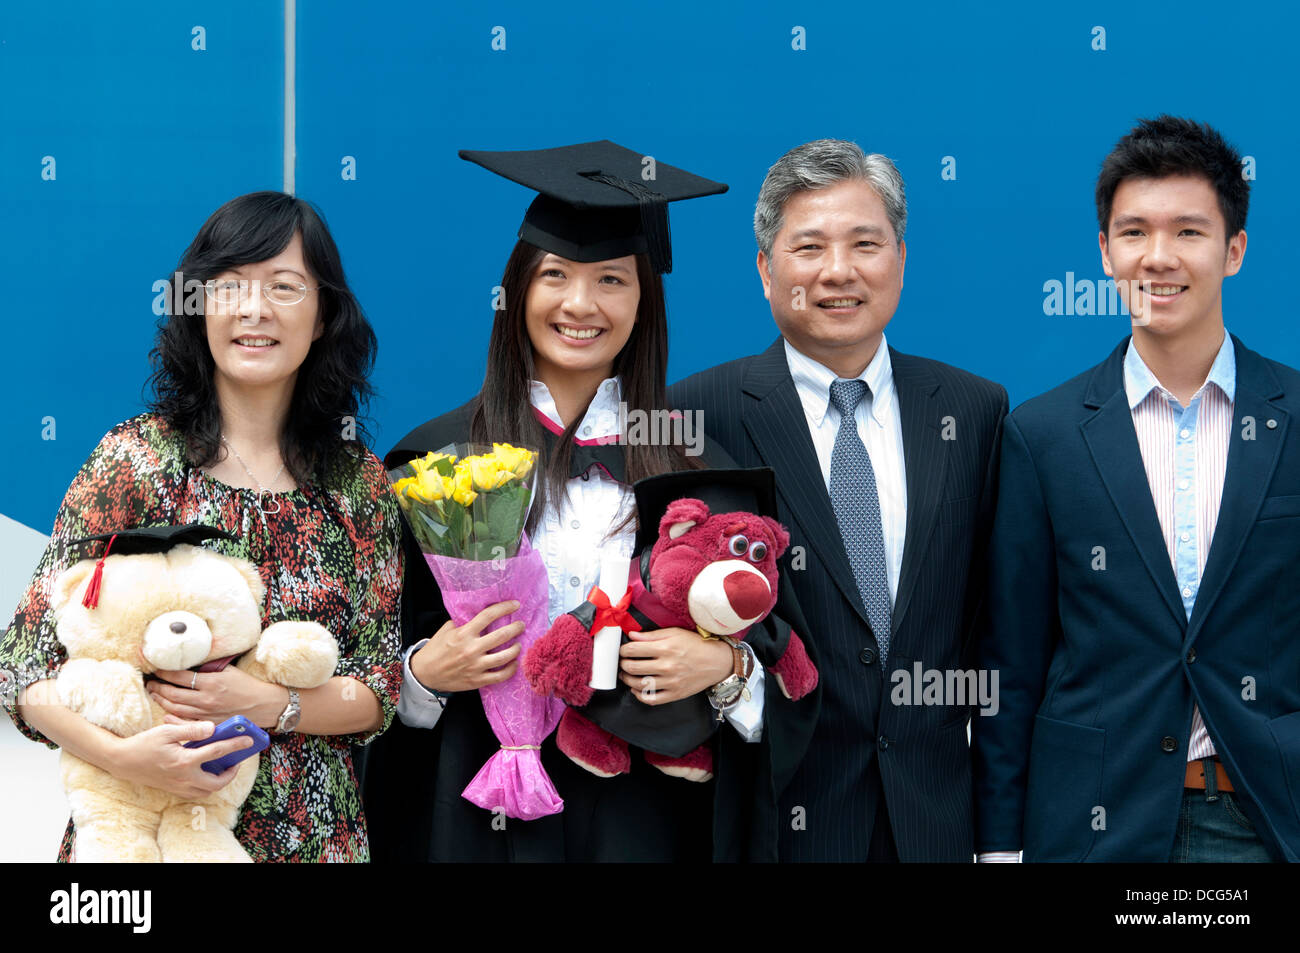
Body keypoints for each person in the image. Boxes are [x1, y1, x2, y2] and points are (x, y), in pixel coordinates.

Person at [359, 141, 794, 862]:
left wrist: (723, 671)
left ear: (643, 302)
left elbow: (782, 674)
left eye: (612, 280)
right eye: (555, 274)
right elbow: (366, 670)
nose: (580, 304)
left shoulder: (695, 468)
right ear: (517, 291)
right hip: (478, 811)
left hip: (648, 820)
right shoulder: (435, 465)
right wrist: (425, 674)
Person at [0, 191, 403, 862]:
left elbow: (378, 687)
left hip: (313, 837)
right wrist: (128, 757)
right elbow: (23, 664)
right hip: (142, 840)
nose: (255, 309)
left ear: (323, 312)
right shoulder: (134, 460)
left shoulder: (357, 483)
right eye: (231, 286)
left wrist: (269, 701)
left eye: (284, 286)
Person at [670, 139, 1008, 861]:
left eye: (865, 243)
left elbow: (996, 629)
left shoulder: (975, 411)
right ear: (766, 270)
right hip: (771, 823)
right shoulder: (698, 418)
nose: (838, 271)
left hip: (937, 826)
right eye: (810, 246)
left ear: (901, 259)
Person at [973, 116, 1300, 862]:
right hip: (1094, 824)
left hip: (1265, 822)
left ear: (1235, 249)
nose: (1159, 258)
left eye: (1188, 231)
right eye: (1134, 233)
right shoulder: (1043, 434)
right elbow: (1010, 666)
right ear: (1105, 252)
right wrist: (998, 847)